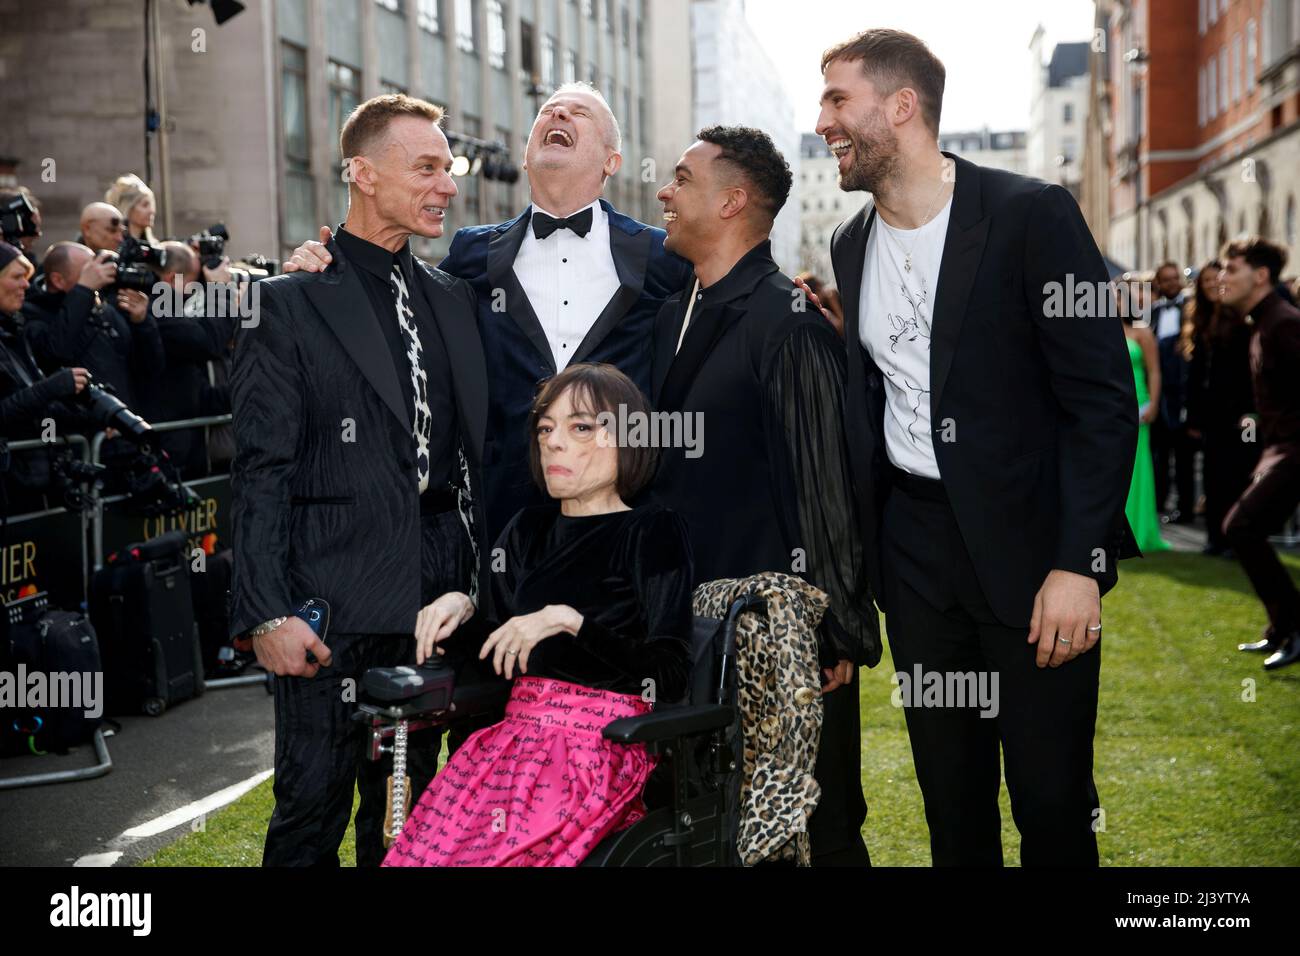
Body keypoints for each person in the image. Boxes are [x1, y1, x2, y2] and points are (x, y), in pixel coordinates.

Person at [818, 28, 1137, 866]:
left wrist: (1079, 564)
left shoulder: (1031, 213)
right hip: (917, 560)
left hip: (1035, 561)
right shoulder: (850, 244)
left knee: (1054, 803)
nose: (823, 122)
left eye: (837, 100)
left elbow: (1102, 403)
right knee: (951, 805)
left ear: (901, 106)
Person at [229, 94, 490, 866]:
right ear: (362, 173)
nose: (446, 185)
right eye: (427, 168)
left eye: (450, 169)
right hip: (325, 610)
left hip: (434, 604)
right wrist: (267, 612)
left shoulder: (457, 299)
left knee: (411, 818)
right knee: (310, 810)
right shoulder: (287, 302)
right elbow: (261, 469)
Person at [283, 82, 692, 542]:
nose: (558, 116)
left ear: (610, 161)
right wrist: (329, 263)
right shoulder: (472, 250)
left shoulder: (662, 255)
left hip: (622, 508)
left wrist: (792, 295)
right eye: (548, 112)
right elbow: (393, 291)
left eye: (578, 113)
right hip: (501, 513)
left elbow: (726, 312)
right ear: (525, 156)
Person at [653, 126, 879, 866]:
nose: (665, 190)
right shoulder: (669, 314)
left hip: (781, 636)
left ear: (732, 202)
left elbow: (828, 489)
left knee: (813, 828)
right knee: (709, 829)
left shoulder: (789, 324)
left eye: (682, 178)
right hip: (689, 632)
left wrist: (834, 630)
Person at [383, 363, 692, 867]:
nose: (554, 442)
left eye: (581, 427)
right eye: (546, 428)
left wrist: (572, 622)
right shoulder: (528, 529)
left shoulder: (653, 530)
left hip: (599, 750)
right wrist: (460, 611)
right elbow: (499, 656)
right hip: (512, 745)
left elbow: (670, 673)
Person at [1217, 237, 1300, 671]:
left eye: (1231, 269)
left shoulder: (1284, 323)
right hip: (1279, 451)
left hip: (1294, 452)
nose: (1222, 278)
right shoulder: (1261, 324)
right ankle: (1283, 627)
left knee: (1241, 528)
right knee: (1243, 530)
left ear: (1261, 274)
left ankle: (1292, 625)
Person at [0, 242, 90, 513]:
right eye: (17, 277)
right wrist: (50, 388)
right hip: (9, 486)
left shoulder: (14, 331)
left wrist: (89, 415)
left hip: (32, 482)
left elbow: (40, 411)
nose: (26, 286)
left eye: (27, 278)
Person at [20, 241, 161, 413]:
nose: (98, 276)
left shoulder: (104, 309)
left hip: (123, 421)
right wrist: (83, 290)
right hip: (81, 429)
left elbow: (150, 368)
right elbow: (56, 352)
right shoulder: (33, 313)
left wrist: (142, 323)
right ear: (58, 280)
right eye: (89, 272)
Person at [135, 241, 236, 478]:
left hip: (181, 440)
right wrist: (219, 290)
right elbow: (207, 341)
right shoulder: (156, 307)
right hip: (169, 446)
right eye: (192, 282)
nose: (195, 292)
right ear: (171, 280)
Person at [1182, 260, 1257, 558]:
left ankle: (1235, 538)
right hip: (1210, 413)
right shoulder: (1198, 319)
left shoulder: (1240, 319)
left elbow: (1247, 371)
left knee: (1238, 474)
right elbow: (1196, 373)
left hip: (1240, 413)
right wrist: (1193, 414)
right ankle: (1215, 537)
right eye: (1207, 280)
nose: (1213, 284)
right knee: (1213, 476)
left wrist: (1250, 412)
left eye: (1218, 279)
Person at [1149, 261, 1195, 523]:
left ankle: (1186, 507)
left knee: (1184, 456)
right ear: (1159, 282)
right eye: (1165, 280)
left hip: (1182, 392)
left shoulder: (1189, 308)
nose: (1171, 284)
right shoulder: (1152, 311)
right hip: (1159, 392)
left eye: (1174, 278)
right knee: (1160, 454)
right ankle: (1159, 504)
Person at [1122, 310, 1169, 553]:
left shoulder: (1142, 332)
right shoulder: (1100, 330)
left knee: (1138, 465)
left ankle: (1139, 527)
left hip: (1138, 404)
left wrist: (1153, 403)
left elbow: (1154, 371)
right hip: (1112, 406)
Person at [104, 174, 158, 245]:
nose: (151, 211)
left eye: (151, 205)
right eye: (144, 205)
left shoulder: (155, 248)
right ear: (128, 208)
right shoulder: (115, 246)